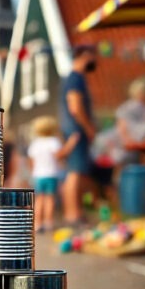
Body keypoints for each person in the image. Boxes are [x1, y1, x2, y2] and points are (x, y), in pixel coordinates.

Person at [58, 43, 100, 226]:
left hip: (72, 130)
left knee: (77, 172)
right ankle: (73, 214)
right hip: (76, 131)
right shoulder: (76, 78)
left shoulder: (72, 78)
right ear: (84, 55)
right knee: (75, 172)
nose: (95, 59)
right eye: (93, 55)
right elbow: (75, 107)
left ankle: (76, 212)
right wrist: (88, 127)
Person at [27, 115, 78, 234]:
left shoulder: (35, 143)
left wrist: (34, 172)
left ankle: (37, 223)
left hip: (38, 175)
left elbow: (31, 161)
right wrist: (71, 143)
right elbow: (60, 155)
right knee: (49, 199)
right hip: (51, 174)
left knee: (39, 199)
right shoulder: (53, 142)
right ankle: (48, 222)